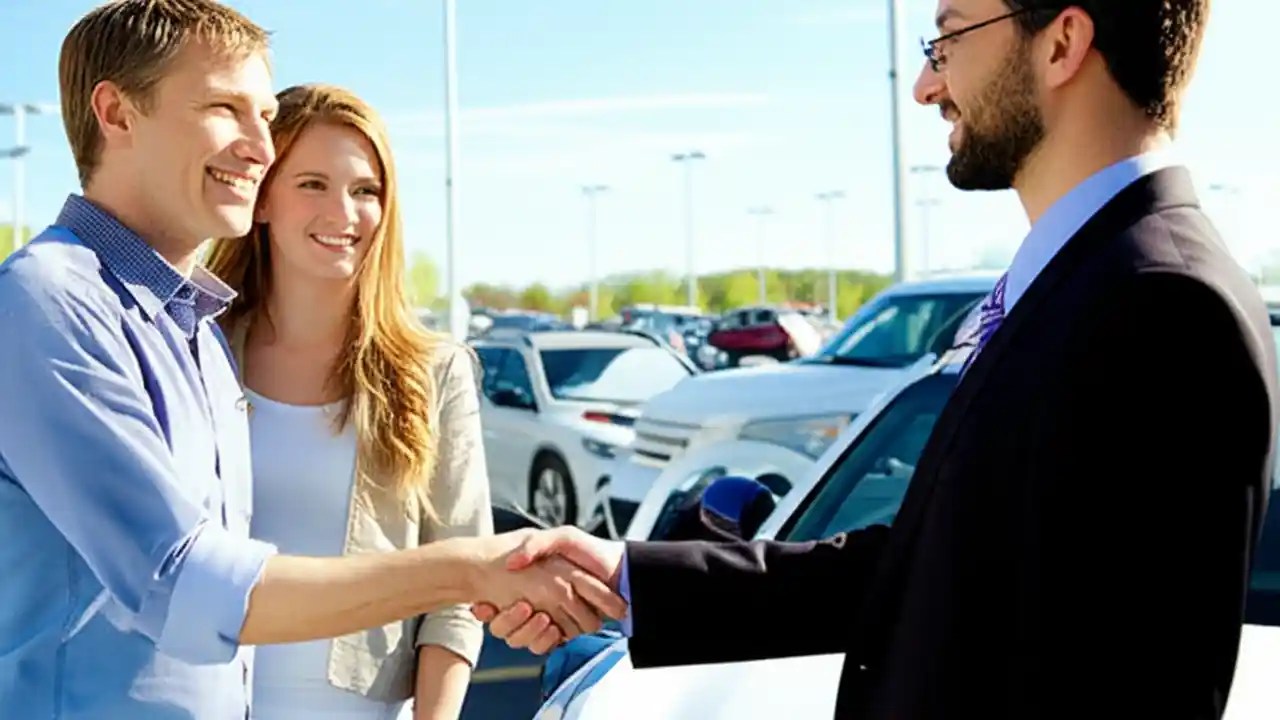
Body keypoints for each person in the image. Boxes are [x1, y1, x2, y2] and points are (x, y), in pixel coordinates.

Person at [476, 1, 1280, 718]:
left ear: (1062, 42)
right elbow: (932, 569)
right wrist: (631, 578)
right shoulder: (1092, 284)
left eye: (949, 37)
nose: (926, 87)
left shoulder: (1165, 305)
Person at [0, 3, 623, 719]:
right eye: (225, 108)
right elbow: (182, 581)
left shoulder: (193, 332)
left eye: (263, 115)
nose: (259, 147)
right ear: (115, 112)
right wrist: (466, 568)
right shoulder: (45, 302)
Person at [202, 83, 487, 720]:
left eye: (365, 191)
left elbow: (460, 590)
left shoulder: (432, 372)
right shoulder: (197, 349)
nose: (344, 212)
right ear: (264, 197)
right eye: (312, 184)